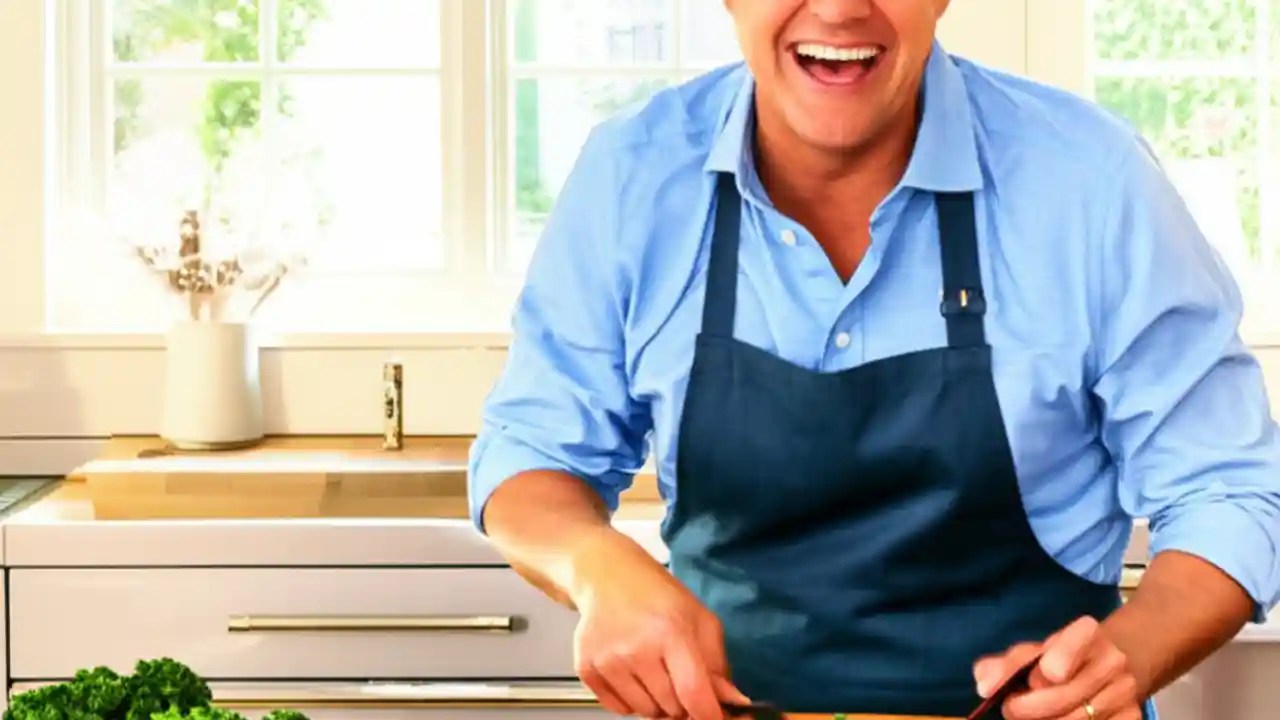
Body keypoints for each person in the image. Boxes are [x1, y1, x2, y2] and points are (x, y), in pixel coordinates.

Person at [467, 1, 1280, 719]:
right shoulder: (635, 175)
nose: (841, 7)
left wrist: (1124, 655)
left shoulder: (1091, 183)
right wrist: (595, 565)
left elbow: (1231, 490)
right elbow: (532, 455)